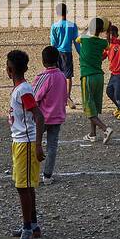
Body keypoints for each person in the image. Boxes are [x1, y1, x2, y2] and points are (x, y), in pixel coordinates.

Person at [6, 49, 46, 239]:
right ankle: (33, 225)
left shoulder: (23, 90)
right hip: (20, 142)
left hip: (27, 143)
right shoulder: (19, 89)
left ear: (9, 70)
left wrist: (38, 145)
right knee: (26, 185)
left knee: (22, 187)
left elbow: (39, 116)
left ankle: (27, 228)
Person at [32, 45, 68, 185]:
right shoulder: (62, 77)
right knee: (52, 146)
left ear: (43, 61)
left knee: (35, 143)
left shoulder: (43, 77)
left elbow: (34, 97)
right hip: (57, 117)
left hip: (43, 118)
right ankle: (47, 175)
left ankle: (32, 172)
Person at [76, 17, 113, 144]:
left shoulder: (84, 39)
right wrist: (108, 31)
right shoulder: (103, 43)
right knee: (94, 106)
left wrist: (87, 28)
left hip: (88, 76)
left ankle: (105, 129)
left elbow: (78, 38)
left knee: (88, 106)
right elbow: (108, 44)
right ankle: (92, 134)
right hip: (99, 77)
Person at [48, 3, 80, 111]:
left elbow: (53, 43)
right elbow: (76, 43)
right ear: (66, 12)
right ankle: (67, 97)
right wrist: (81, 54)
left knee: (56, 75)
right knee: (68, 76)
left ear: (57, 13)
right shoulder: (72, 25)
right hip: (67, 53)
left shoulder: (54, 26)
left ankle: (57, 97)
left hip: (56, 53)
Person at [104, 23, 120, 119]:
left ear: (116, 35)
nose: (108, 36)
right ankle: (119, 107)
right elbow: (102, 56)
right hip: (114, 74)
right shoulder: (108, 46)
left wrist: (113, 39)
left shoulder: (119, 45)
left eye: (111, 34)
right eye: (107, 34)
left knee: (118, 94)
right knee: (109, 92)